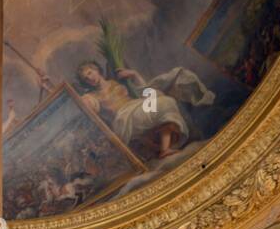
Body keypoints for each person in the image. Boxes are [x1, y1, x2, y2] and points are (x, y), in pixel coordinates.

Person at [76, 60, 214, 160]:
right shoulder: (91, 96)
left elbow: (144, 90)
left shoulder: (115, 82)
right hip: (124, 119)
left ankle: (165, 149)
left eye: (90, 72)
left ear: (97, 70)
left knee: (166, 101)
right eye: (86, 78)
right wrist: (83, 100)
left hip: (136, 107)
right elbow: (89, 108)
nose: (90, 78)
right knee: (161, 104)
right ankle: (164, 149)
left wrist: (134, 75)